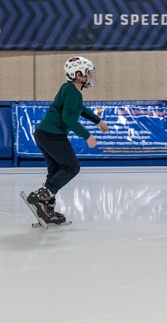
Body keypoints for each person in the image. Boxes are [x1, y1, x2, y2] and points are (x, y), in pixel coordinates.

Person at [24, 56, 108, 225]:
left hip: (43, 133)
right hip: (52, 135)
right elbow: (68, 118)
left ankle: (46, 209)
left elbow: (80, 109)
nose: (90, 76)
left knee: (55, 171)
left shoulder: (71, 90)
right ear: (78, 75)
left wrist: (97, 121)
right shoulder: (71, 90)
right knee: (72, 167)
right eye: (87, 73)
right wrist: (87, 136)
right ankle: (40, 197)